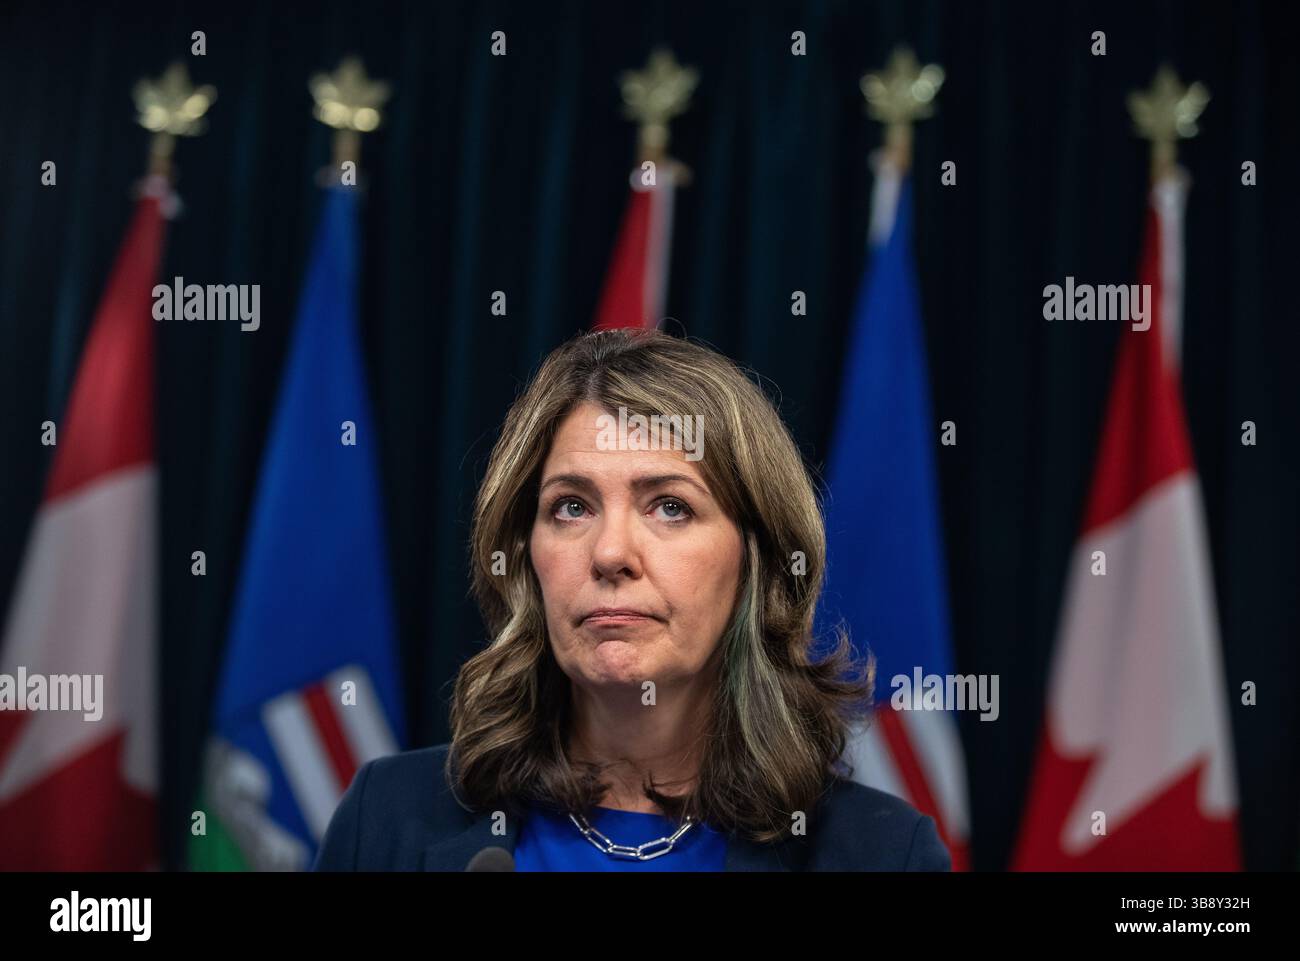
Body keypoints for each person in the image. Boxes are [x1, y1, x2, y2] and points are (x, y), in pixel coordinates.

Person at [315, 329, 951, 871]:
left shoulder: (881, 852)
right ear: (525, 556)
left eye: (670, 507)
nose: (610, 552)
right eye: (571, 507)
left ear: (755, 557)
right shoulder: (388, 821)